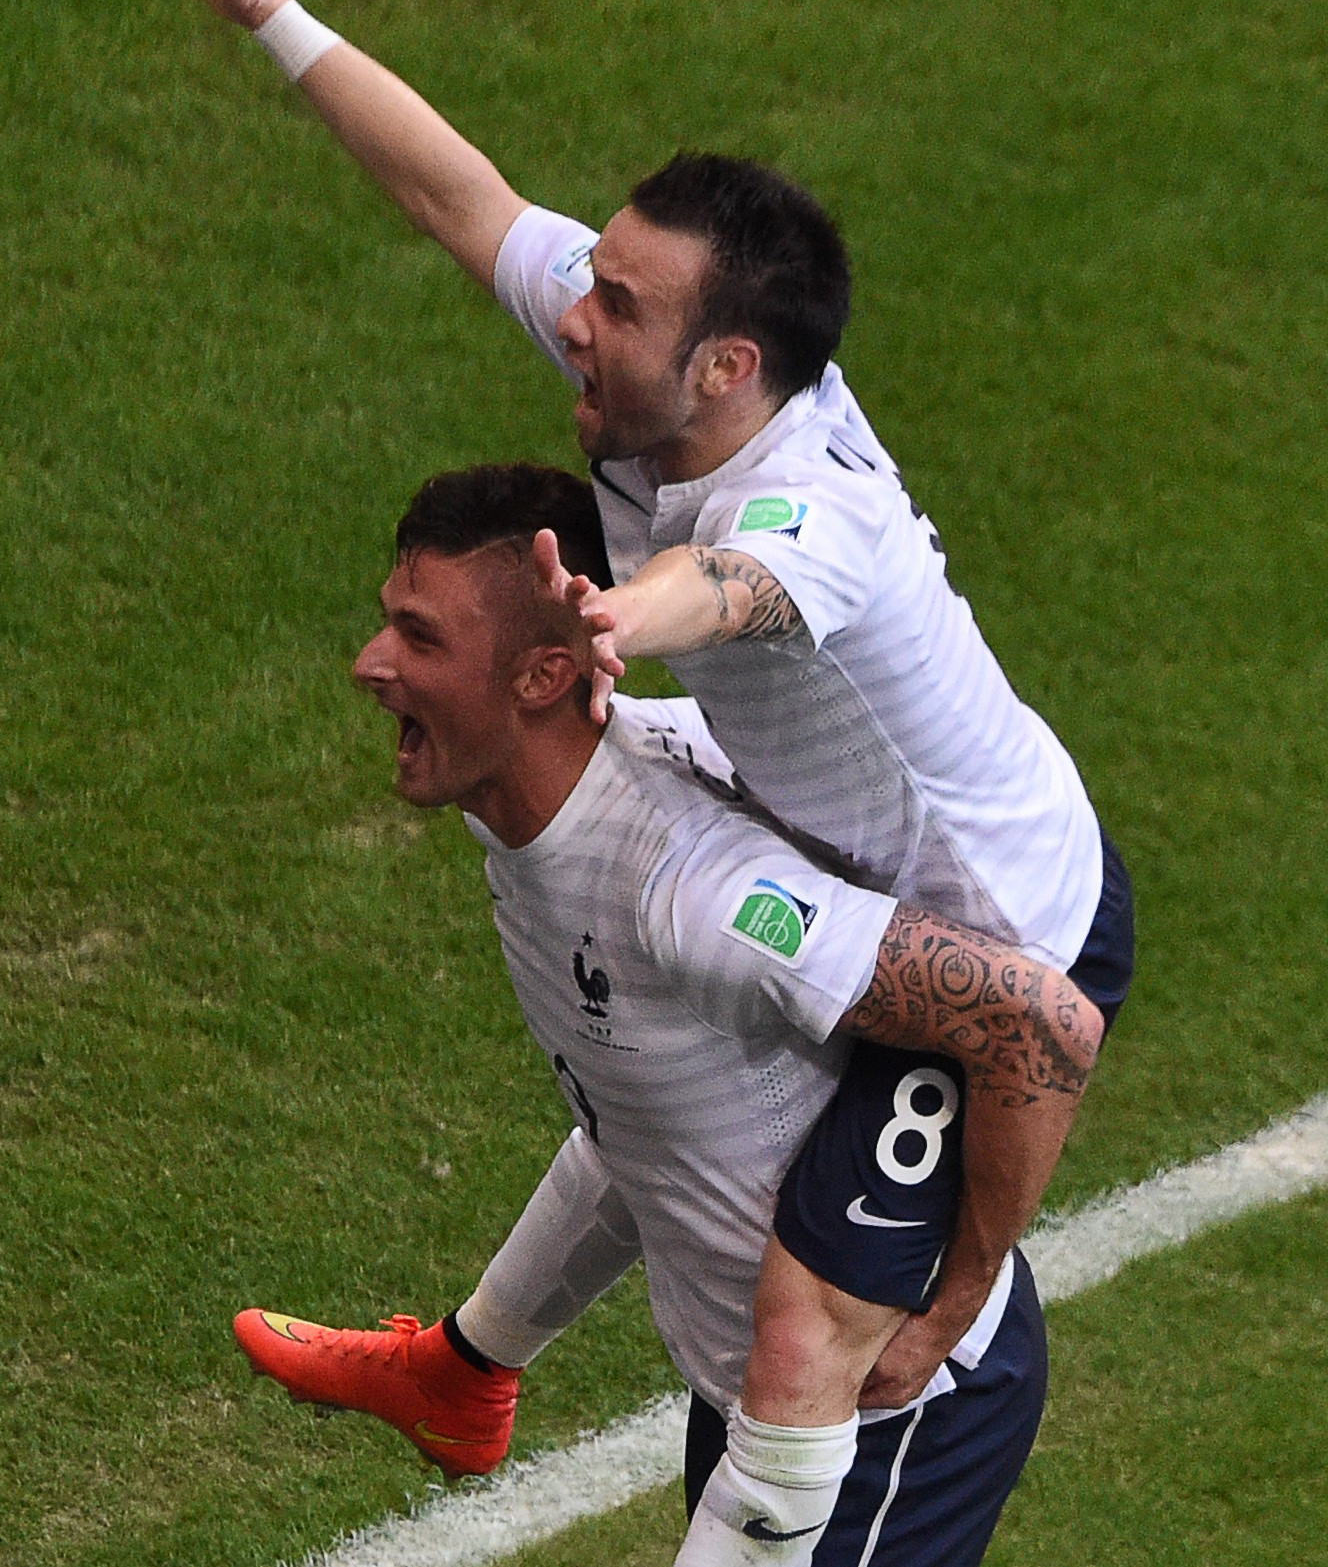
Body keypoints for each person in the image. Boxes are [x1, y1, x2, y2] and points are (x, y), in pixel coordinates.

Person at [129, 0, 1135, 1455]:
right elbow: (458, 195)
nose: (575, 319)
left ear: (729, 365)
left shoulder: (815, 509)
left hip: (1013, 928)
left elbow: (731, 586)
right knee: (664, 1061)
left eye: (619, 305)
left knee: (803, 1330)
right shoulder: (654, 363)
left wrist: (613, 614)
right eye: (593, 282)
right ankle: (465, 1366)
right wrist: (267, 11)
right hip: (854, 848)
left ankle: (939, 1350)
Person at [244, 463, 1097, 1564]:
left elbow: (1038, 1018)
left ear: (544, 675)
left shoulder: (691, 892)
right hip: (756, 1400)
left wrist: (957, 1299)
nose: (372, 664)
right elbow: (641, 1122)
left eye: (419, 638)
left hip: (889, 1419)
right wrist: (474, 1355)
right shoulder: (530, 814)